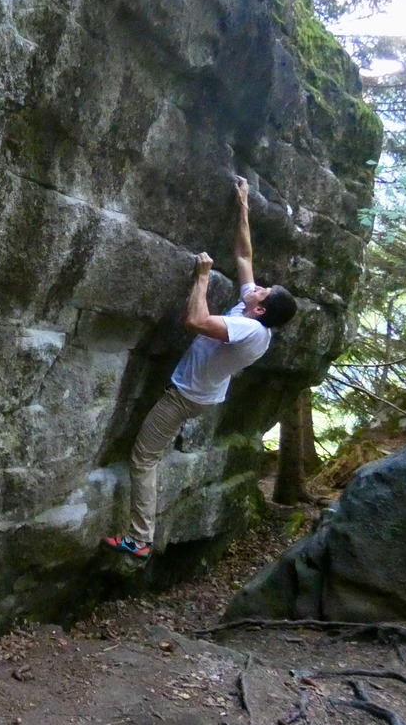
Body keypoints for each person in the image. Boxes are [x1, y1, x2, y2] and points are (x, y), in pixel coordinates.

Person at [103, 177, 297, 560]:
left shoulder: (248, 327)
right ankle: (142, 533)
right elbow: (244, 257)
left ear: (261, 309)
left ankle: (140, 539)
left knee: (144, 459)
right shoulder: (254, 311)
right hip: (203, 390)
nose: (257, 287)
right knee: (151, 451)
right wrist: (243, 205)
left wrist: (203, 277)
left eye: (263, 291)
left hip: (186, 396)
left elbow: (195, 320)